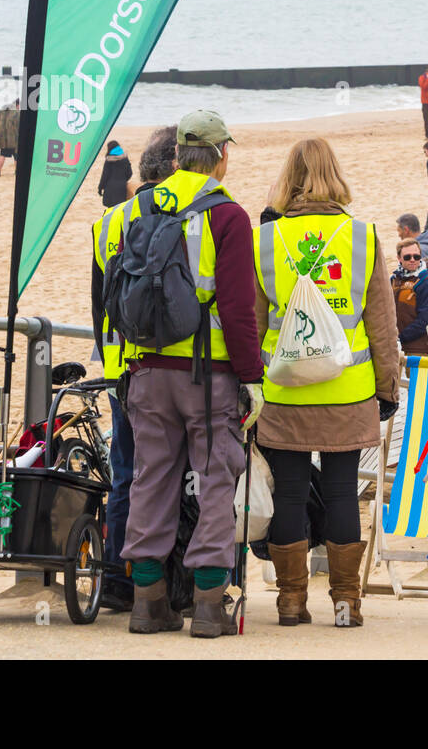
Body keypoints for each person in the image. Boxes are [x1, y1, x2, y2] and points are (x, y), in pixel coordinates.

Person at [120, 110, 266, 639]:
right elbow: (237, 305)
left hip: (147, 369)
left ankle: (148, 603)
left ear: (178, 155)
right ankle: (208, 607)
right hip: (209, 375)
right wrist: (252, 376)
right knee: (215, 481)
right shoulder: (227, 215)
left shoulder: (143, 206)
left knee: (150, 479)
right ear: (222, 155)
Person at [253, 137, 399, 629]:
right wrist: (387, 388)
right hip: (347, 388)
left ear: (288, 178)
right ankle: (345, 604)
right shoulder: (363, 236)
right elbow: (382, 323)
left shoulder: (267, 239)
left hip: (285, 389)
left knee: (290, 493)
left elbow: (253, 325)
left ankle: (291, 602)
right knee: (340, 494)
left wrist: (249, 387)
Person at [89, 124, 178, 613]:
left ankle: (120, 579)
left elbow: (98, 305)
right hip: (169, 364)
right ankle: (166, 579)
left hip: (121, 364)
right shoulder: (178, 216)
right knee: (170, 470)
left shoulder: (108, 223)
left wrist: (110, 358)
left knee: (128, 473)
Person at [392, 238, 428, 354]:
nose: (412, 260)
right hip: (395, 348)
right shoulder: (393, 280)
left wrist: (400, 338)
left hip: (418, 350)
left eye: (417, 256)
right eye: (407, 257)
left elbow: (426, 320)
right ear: (399, 258)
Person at [97, 140, 133, 208]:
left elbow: (105, 175)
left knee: (110, 210)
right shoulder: (125, 158)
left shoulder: (109, 160)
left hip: (110, 188)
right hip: (122, 188)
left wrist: (100, 188)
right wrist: (123, 180)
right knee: (120, 209)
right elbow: (130, 173)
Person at [0, 100, 20, 177]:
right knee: (16, 156)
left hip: (3, 138)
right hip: (13, 139)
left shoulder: (2, 111)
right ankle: (17, 172)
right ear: (18, 105)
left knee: (2, 154)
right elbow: (19, 125)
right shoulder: (17, 113)